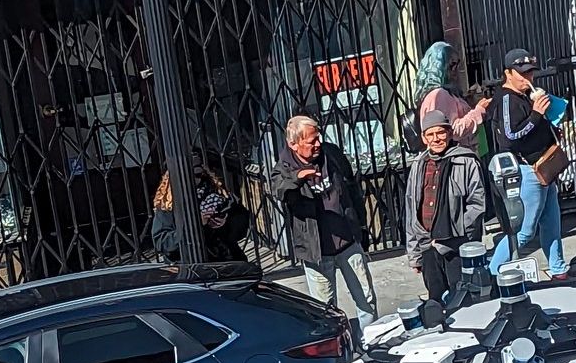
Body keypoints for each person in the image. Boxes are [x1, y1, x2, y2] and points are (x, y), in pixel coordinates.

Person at [269, 115, 378, 333]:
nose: (317, 144)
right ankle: (339, 347)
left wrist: (362, 226)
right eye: (311, 141)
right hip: (317, 251)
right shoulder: (284, 167)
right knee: (326, 309)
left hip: (347, 242)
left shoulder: (331, 154)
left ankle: (373, 341)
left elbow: (352, 189)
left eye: (318, 138)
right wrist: (299, 176)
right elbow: (278, 189)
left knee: (366, 298)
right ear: (294, 144)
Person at [489, 48, 569, 280]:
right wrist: (536, 114)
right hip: (529, 171)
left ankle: (558, 268)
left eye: (531, 73)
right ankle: (493, 270)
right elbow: (510, 135)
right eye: (522, 74)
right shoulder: (506, 99)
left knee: (552, 223)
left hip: (546, 166)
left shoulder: (526, 95)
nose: (528, 78)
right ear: (508, 73)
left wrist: (551, 123)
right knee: (524, 231)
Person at [405, 111, 487, 302]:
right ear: (424, 138)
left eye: (440, 133)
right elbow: (411, 209)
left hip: (456, 246)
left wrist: (459, 233)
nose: (436, 139)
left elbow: (477, 204)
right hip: (427, 246)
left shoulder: (466, 160)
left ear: (449, 133)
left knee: (462, 298)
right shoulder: (419, 164)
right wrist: (415, 254)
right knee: (436, 301)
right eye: (430, 135)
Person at [151, 163, 249, 263]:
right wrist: (195, 226)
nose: (195, 180)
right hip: (189, 265)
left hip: (226, 260)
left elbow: (242, 223)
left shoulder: (218, 192)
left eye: (198, 175)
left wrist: (224, 222)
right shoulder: (168, 204)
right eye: (189, 176)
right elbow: (163, 243)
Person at [414, 41, 492, 151]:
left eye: (457, 64)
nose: (456, 70)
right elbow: (453, 131)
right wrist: (478, 111)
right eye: (452, 65)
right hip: (455, 158)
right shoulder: (439, 95)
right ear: (438, 67)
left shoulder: (443, 92)